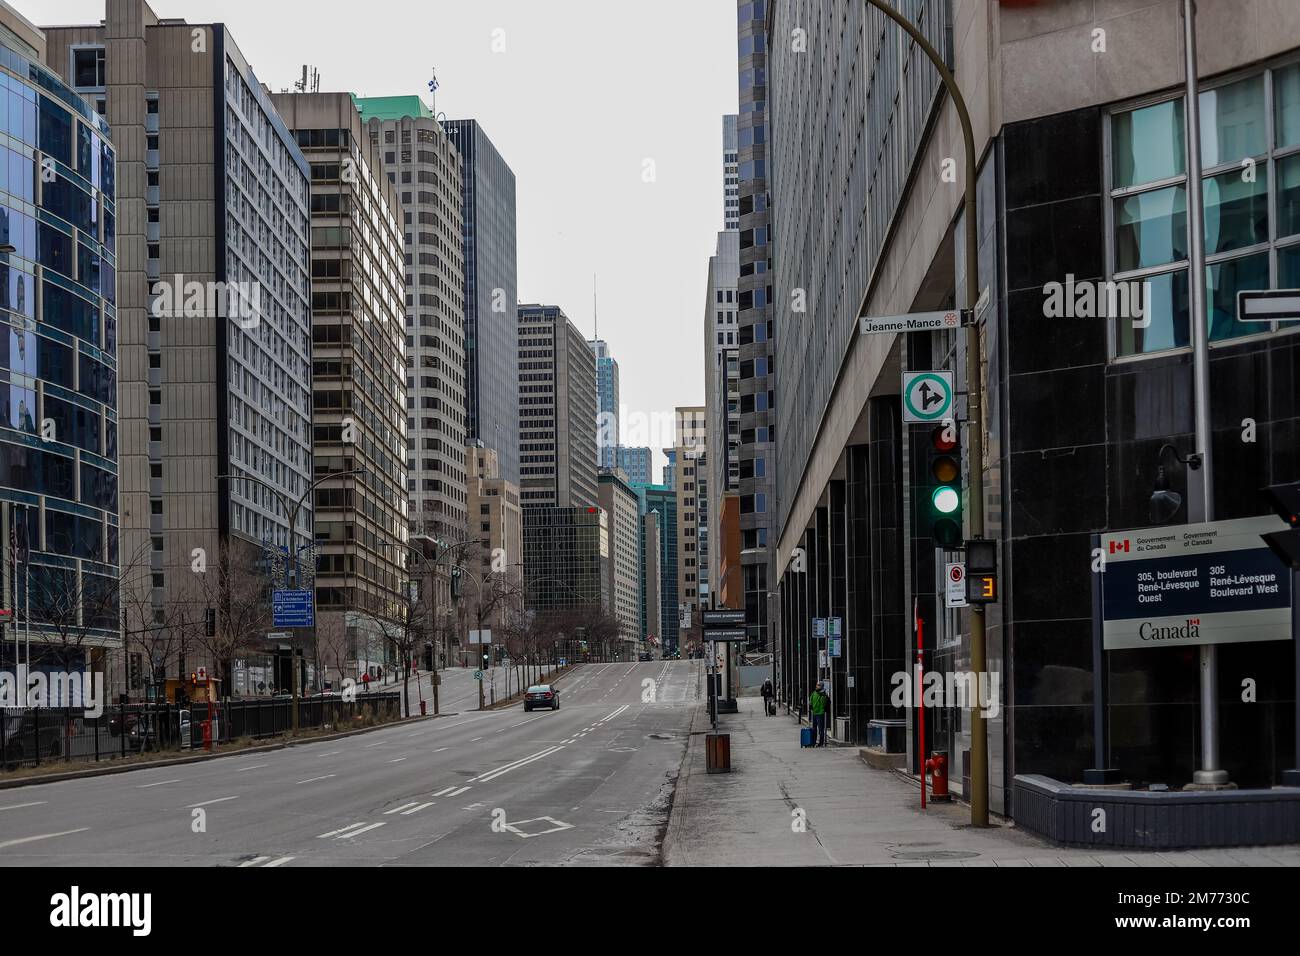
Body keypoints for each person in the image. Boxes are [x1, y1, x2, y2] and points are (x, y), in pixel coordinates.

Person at [809, 681, 829, 746]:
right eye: (817, 685)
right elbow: (811, 700)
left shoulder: (823, 695)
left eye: (818, 685)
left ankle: (821, 742)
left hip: (820, 713)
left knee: (820, 729)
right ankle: (813, 742)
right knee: (814, 728)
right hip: (814, 713)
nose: (816, 686)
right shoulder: (814, 693)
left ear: (821, 686)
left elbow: (825, 703)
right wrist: (810, 706)